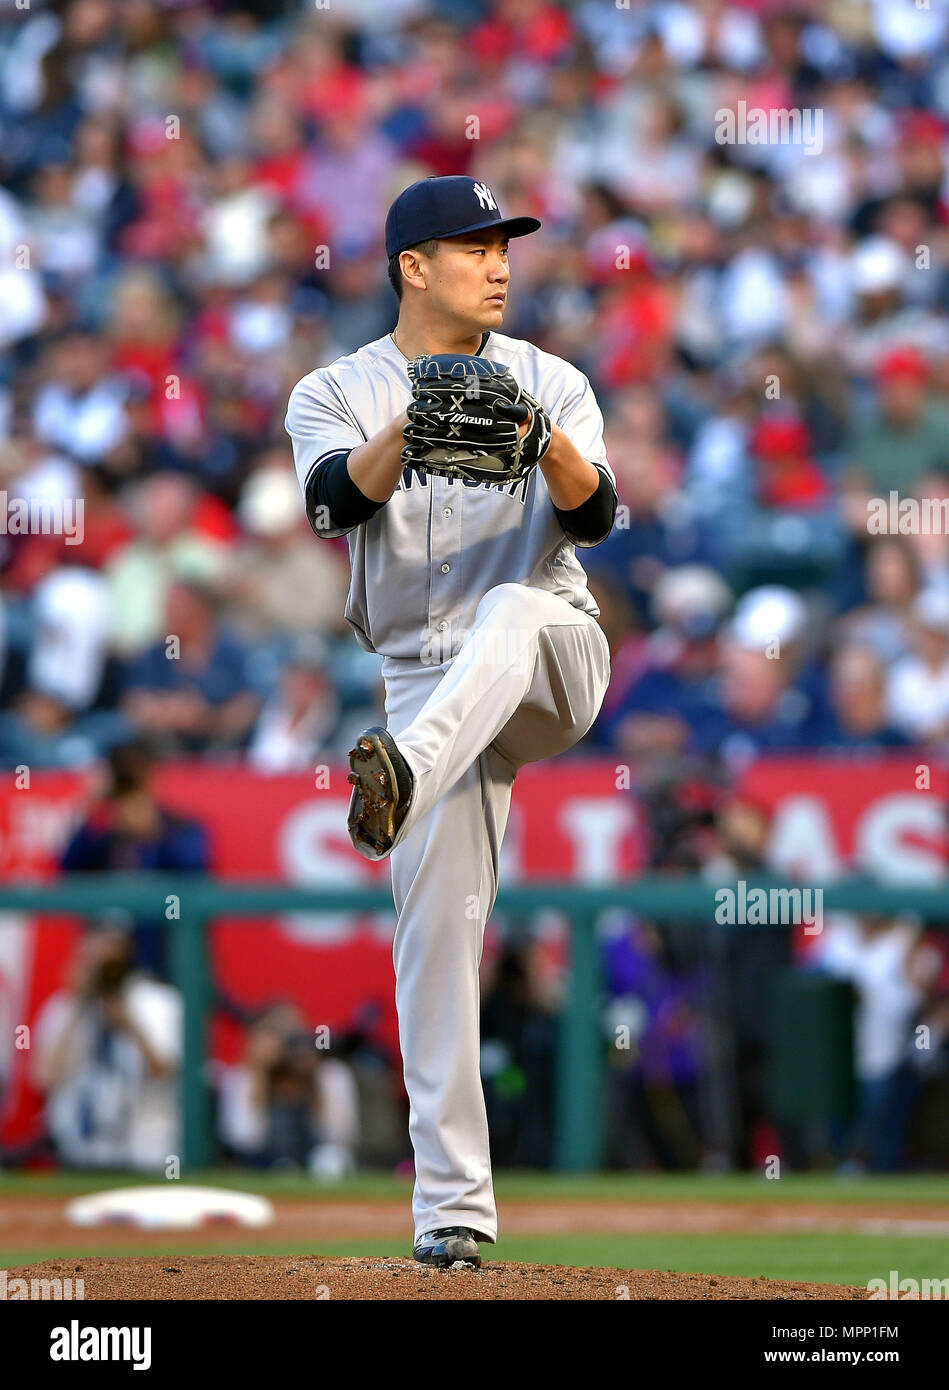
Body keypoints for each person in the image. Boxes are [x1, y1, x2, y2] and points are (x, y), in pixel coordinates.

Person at [285, 175, 616, 1267]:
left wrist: (541, 443)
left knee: (515, 607)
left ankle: (406, 780)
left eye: (504, 245)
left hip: (548, 658)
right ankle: (453, 1219)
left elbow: (599, 514)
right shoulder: (330, 390)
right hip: (421, 690)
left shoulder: (549, 379)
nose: (500, 262)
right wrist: (412, 426)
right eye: (474, 246)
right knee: (433, 946)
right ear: (411, 266)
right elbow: (333, 501)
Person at [31, 925, 182, 1171]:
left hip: (145, 1151)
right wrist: (79, 1004)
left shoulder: (159, 1002)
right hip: (77, 1151)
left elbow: (165, 1073)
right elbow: (45, 1077)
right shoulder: (63, 1007)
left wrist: (132, 1026)